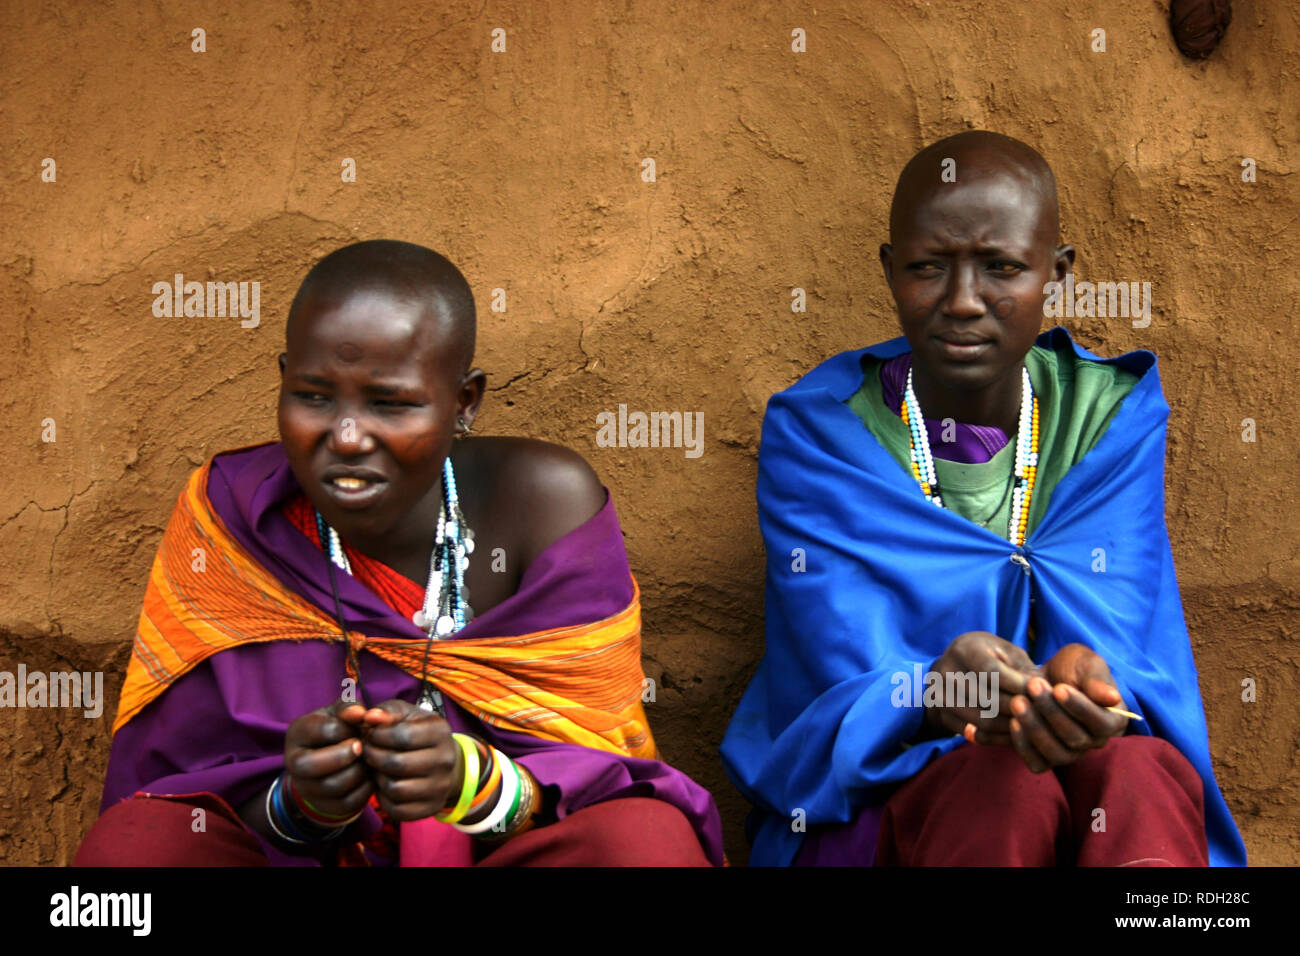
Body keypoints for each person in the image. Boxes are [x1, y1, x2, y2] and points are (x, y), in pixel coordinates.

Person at [76, 239, 723, 867]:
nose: (348, 436)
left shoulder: (543, 506)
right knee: (140, 844)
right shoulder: (233, 516)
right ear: (281, 382)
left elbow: (599, 771)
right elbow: (184, 787)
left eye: (391, 403)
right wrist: (301, 803)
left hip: (501, 850)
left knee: (642, 841)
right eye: (313, 396)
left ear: (464, 401)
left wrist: (471, 782)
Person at [720, 131, 1246, 867]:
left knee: (1143, 772)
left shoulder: (1110, 416)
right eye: (928, 268)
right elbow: (829, 680)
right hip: (892, 809)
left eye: (1001, 268)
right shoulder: (822, 435)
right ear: (888, 270)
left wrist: (1086, 688)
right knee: (1000, 780)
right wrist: (930, 689)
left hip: (1089, 790)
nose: (963, 303)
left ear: (1056, 274)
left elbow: (1130, 646)